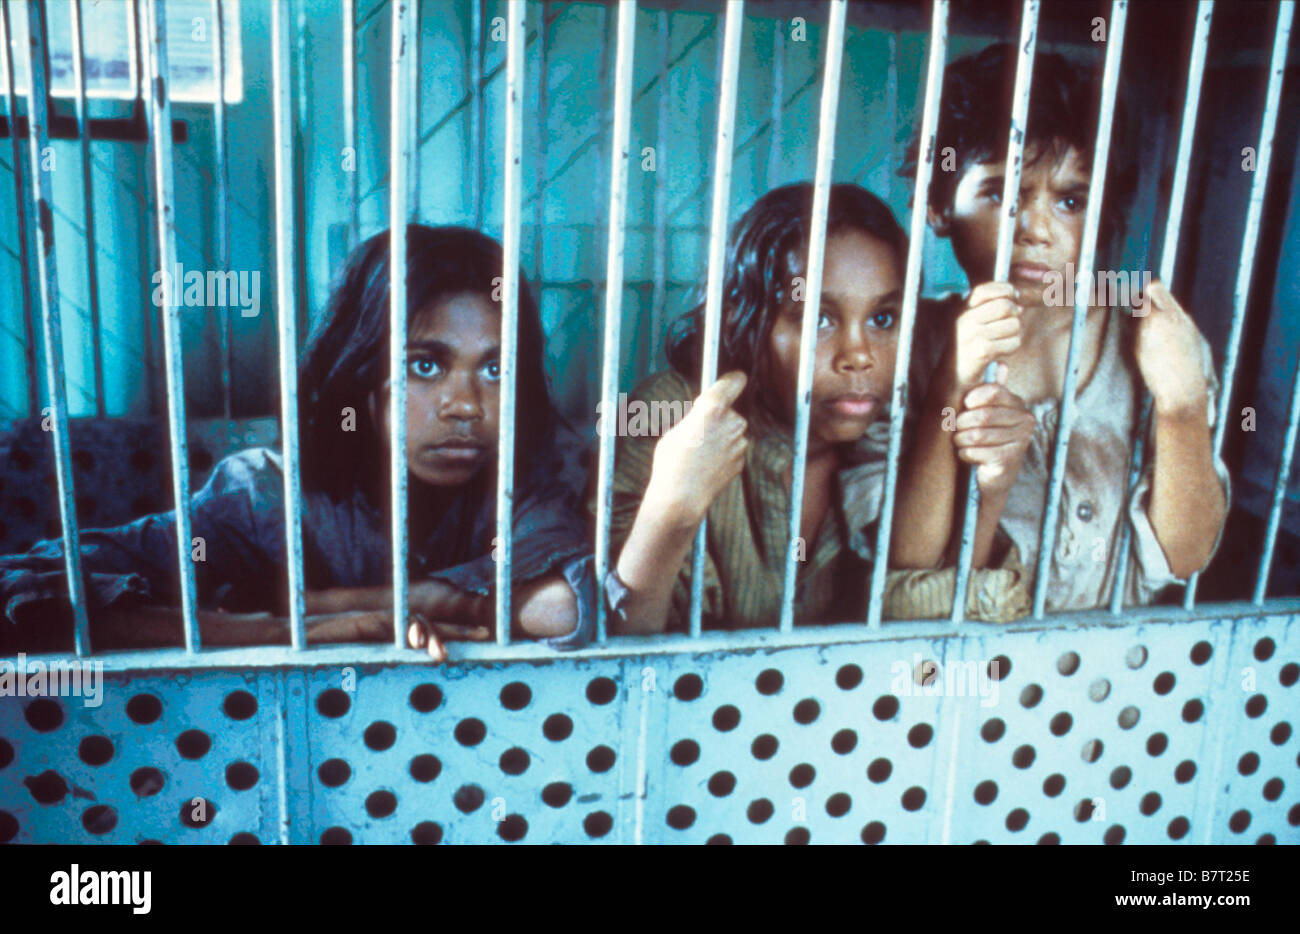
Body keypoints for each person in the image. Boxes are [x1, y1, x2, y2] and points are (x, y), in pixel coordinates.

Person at [0, 225, 594, 659]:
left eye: (495, 369)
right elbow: (27, 595)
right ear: (358, 375)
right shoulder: (265, 496)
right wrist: (288, 629)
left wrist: (422, 601)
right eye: (424, 365)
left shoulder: (523, 493)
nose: (465, 405)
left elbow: (570, 605)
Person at [889, 44, 1229, 615]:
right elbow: (904, 570)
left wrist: (1183, 409)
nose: (1037, 230)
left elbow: (1187, 556)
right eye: (1001, 193)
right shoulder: (905, 346)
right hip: (971, 653)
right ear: (938, 206)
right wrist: (950, 384)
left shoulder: (1149, 337)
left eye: (1071, 201)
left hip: (1125, 657)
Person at [597, 182, 1005, 633]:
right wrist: (671, 510)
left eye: (883, 319)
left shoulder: (899, 429)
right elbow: (619, 640)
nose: (859, 355)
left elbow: (930, 605)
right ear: (742, 321)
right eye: (818, 319)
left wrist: (987, 481)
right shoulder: (673, 417)